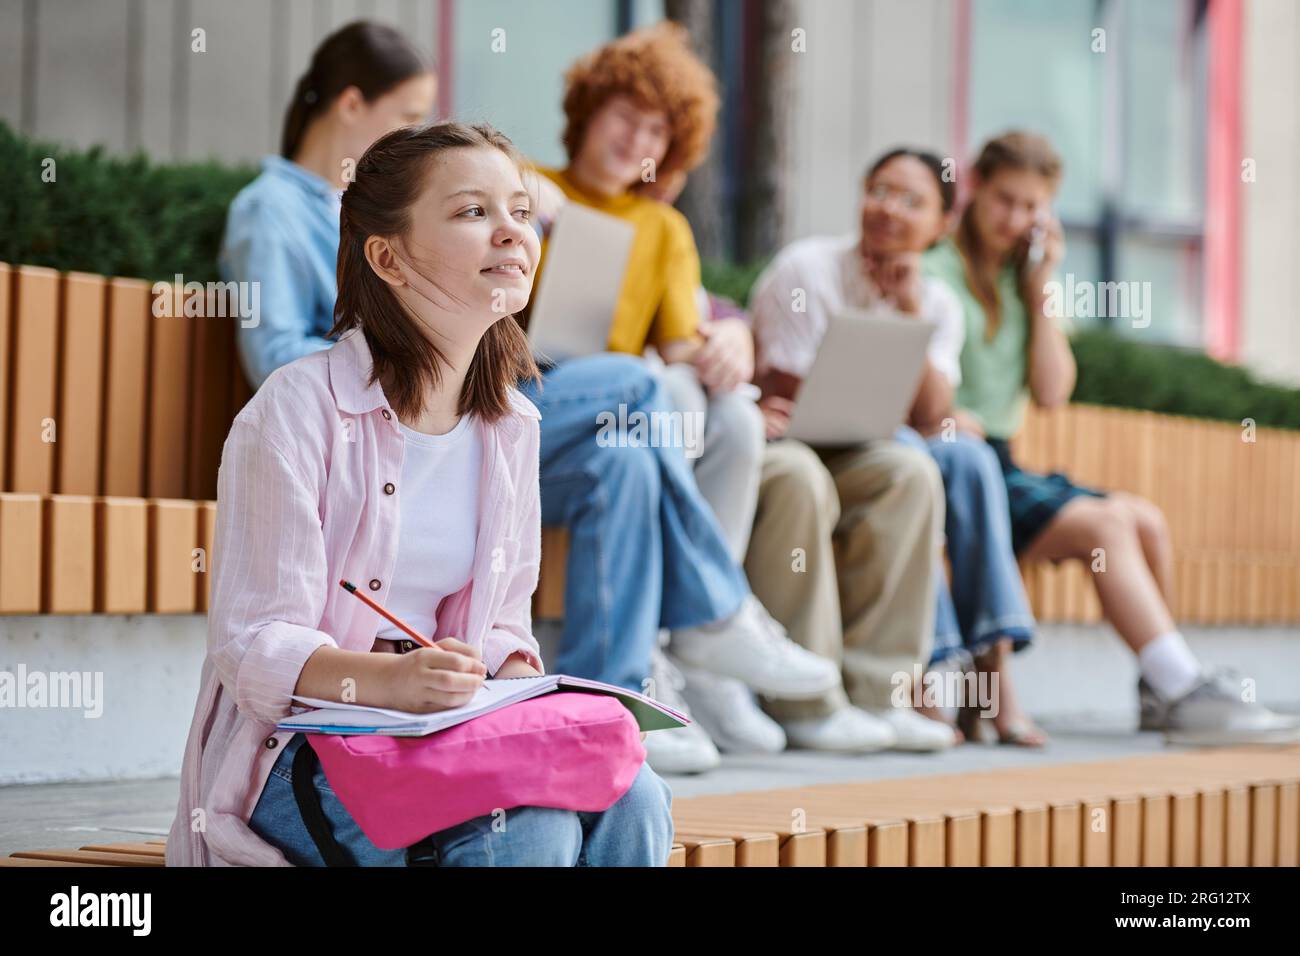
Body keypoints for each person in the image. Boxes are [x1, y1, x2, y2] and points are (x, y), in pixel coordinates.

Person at [168, 122, 677, 867]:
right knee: (531, 828)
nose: (512, 232)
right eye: (474, 213)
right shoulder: (296, 408)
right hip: (304, 750)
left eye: (521, 212)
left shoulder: (513, 424)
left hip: (443, 736)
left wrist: (512, 682)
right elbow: (253, 646)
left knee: (634, 792)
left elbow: (502, 625)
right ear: (388, 257)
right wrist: (392, 681)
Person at [519, 23, 839, 774]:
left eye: (657, 128)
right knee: (648, 389)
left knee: (722, 408)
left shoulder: (662, 228)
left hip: (617, 432)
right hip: (531, 408)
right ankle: (713, 616)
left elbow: (679, 345)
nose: (637, 137)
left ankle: (679, 659)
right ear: (588, 111)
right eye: (625, 114)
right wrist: (515, 193)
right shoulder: (520, 183)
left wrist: (729, 344)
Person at [924, 130, 1300, 746]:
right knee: (1107, 527)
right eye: (1003, 200)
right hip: (958, 458)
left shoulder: (1026, 280)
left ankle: (1158, 690)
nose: (1013, 218)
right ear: (975, 188)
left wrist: (1041, 289)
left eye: (1030, 207)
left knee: (1145, 518)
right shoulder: (938, 269)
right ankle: (1181, 685)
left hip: (1005, 463)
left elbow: (1051, 391)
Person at [746, 148, 1036, 751]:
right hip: (791, 442)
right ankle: (812, 701)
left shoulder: (936, 301)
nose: (889, 209)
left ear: (941, 225)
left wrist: (907, 314)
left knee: (911, 470)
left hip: (863, 453)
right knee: (830, 469)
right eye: (879, 190)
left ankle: (884, 692)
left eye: (911, 201)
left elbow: (933, 411)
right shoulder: (808, 269)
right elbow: (782, 386)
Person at [222, 21, 437, 388]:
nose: (412, 136)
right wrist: (402, 361)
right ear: (352, 105)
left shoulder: (367, 204)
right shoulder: (269, 208)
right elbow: (272, 356)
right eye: (408, 118)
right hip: (364, 418)